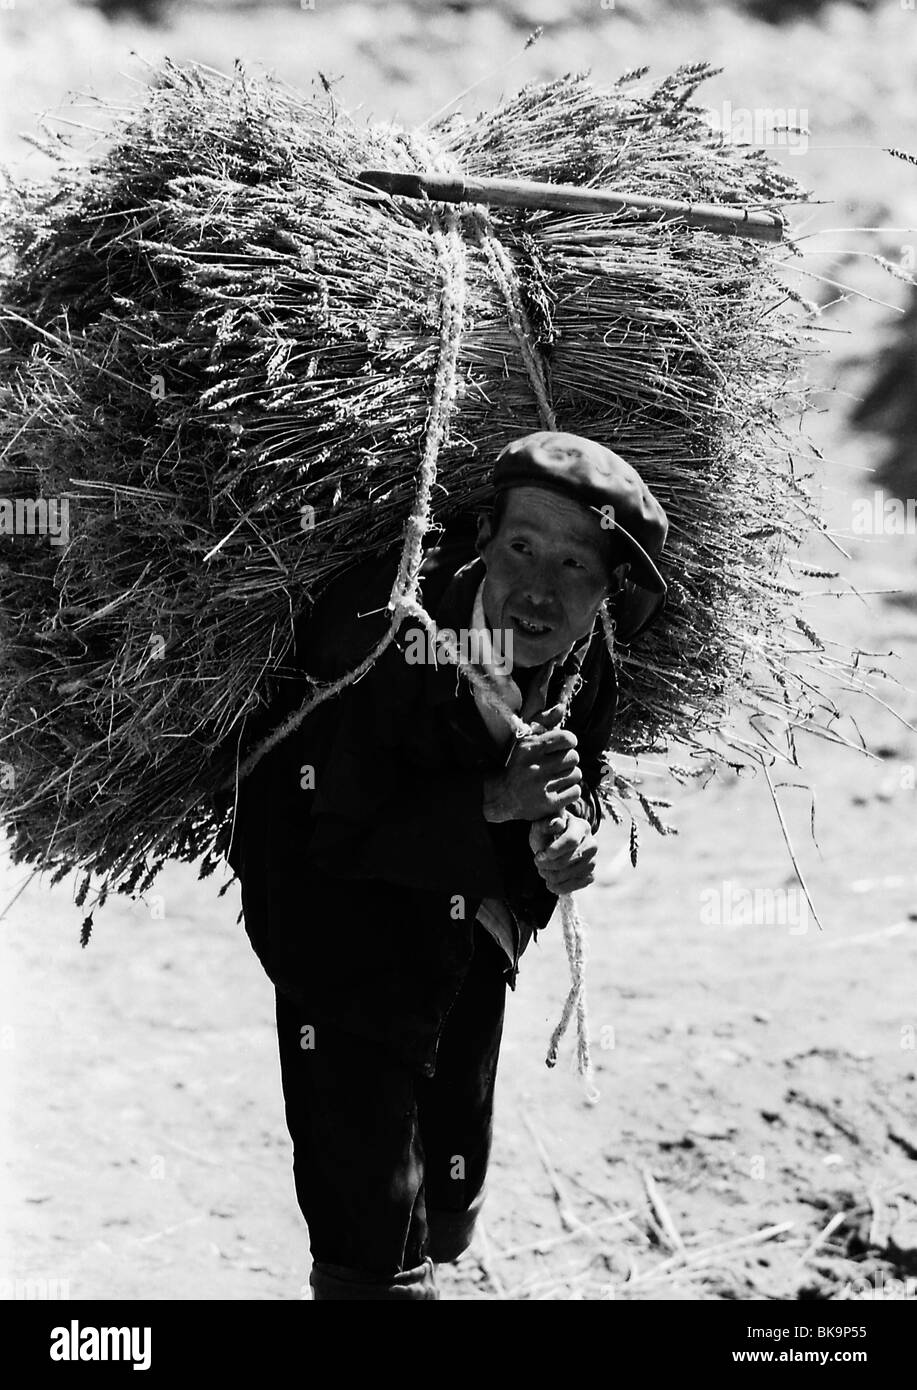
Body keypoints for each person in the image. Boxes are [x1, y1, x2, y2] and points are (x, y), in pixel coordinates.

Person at [224, 430, 668, 1300]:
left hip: (471, 931)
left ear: (610, 590)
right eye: (521, 548)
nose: (538, 589)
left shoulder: (590, 660)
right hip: (338, 937)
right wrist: (493, 804)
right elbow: (322, 826)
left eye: (576, 566)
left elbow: (570, 787)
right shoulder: (379, 635)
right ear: (481, 543)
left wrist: (560, 845)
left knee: (452, 1187)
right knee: (372, 1229)